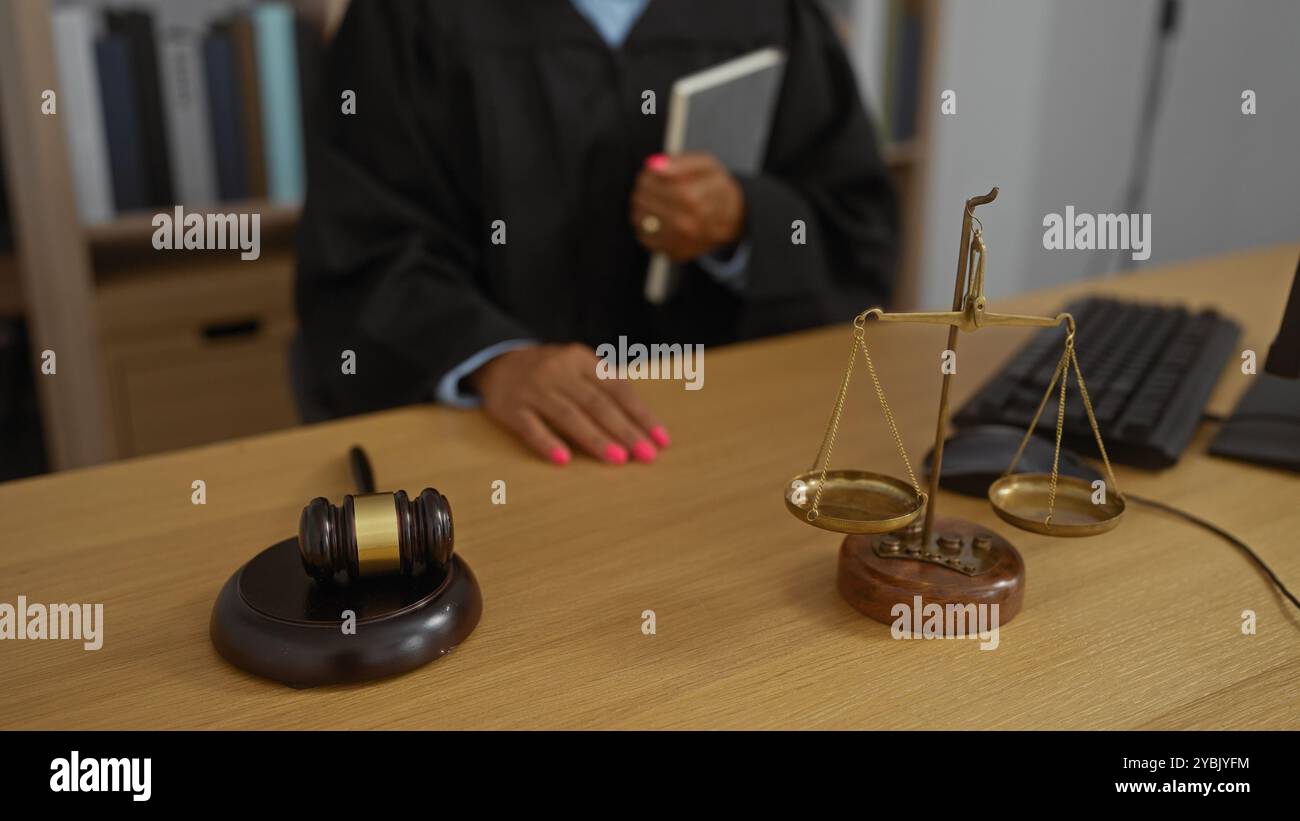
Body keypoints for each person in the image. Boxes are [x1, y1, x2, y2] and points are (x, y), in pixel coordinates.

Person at [295, 0, 897, 466]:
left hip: (727, 442)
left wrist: (742, 221)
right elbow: (363, 243)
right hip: (491, 448)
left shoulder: (769, 9)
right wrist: (493, 359)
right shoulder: (410, 14)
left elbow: (855, 225)